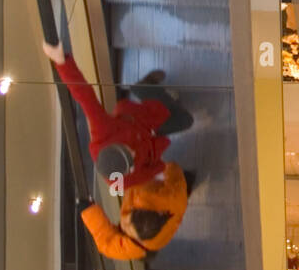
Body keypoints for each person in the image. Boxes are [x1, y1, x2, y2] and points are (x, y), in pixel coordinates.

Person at [42, 42, 192, 189]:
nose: (133, 153)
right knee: (185, 120)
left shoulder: (101, 130)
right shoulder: (119, 182)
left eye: (128, 150)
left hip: (139, 119)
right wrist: (159, 169)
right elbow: (144, 175)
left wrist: (61, 62)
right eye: (132, 159)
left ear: (115, 145)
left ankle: (145, 88)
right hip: (150, 140)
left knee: (179, 117)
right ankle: (152, 92)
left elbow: (84, 96)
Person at [80, 161, 190, 261]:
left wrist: (89, 211)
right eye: (129, 221)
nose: (123, 225)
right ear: (137, 211)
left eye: (127, 229)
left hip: (142, 180)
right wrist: (162, 166)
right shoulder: (175, 199)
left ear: (139, 239)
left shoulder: (135, 247)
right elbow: (175, 173)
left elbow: (106, 243)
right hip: (150, 177)